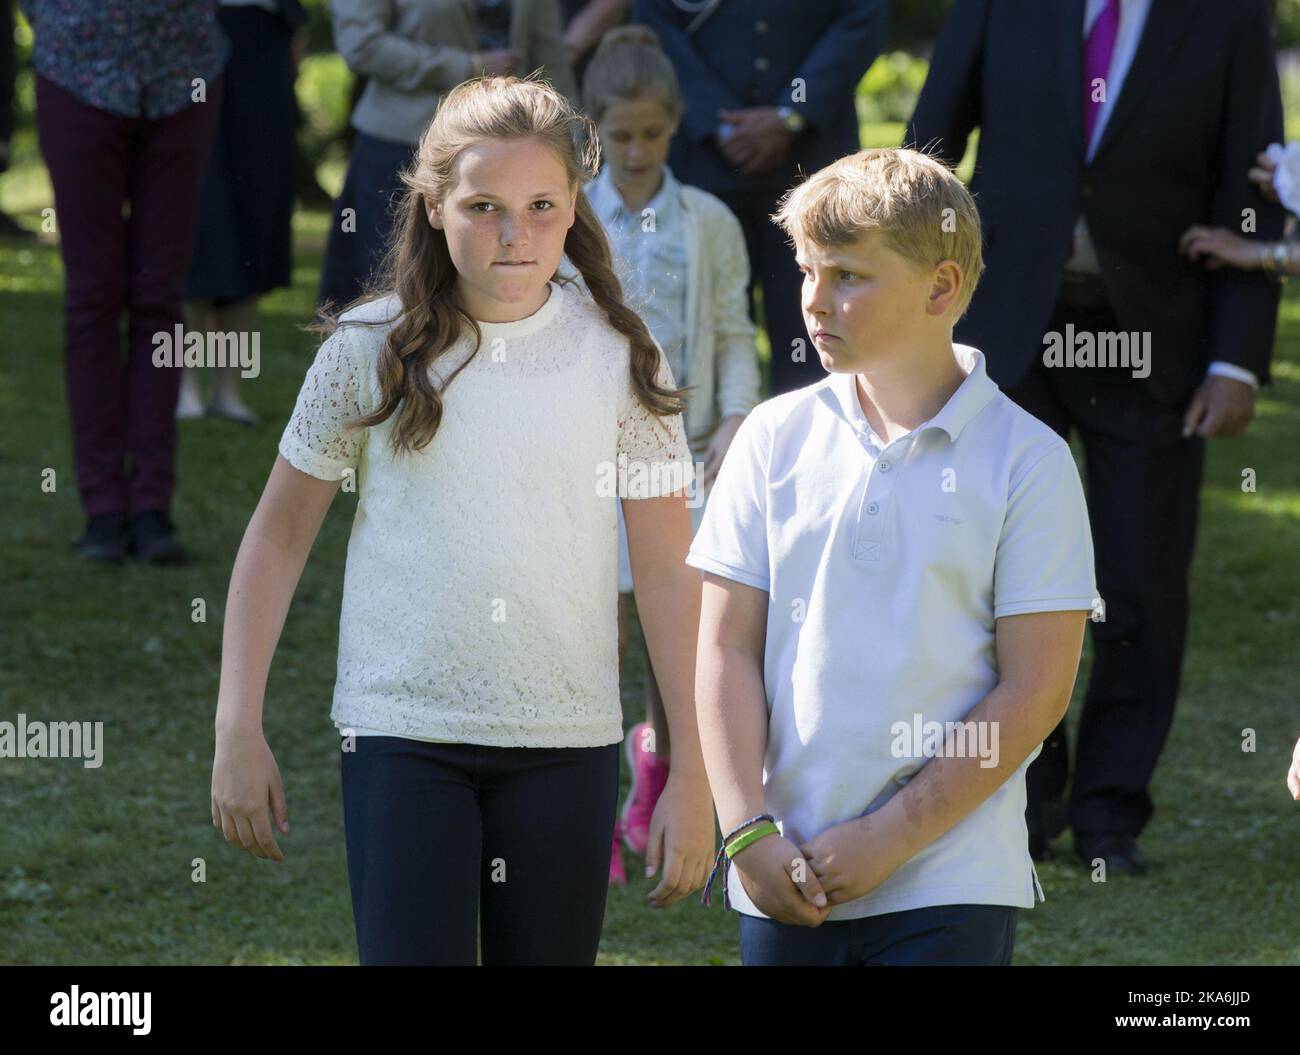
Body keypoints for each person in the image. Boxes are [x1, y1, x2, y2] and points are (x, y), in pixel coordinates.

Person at [211, 75, 715, 965]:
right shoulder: (368, 349)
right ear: (436, 205)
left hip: (567, 741)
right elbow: (278, 537)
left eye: (541, 205)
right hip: (403, 737)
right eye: (483, 205)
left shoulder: (620, 356)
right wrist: (235, 726)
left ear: (573, 207)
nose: (514, 233)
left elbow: (671, 572)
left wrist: (695, 772)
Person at [687, 148, 1097, 966]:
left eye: (847, 275)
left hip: (949, 881)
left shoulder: (1029, 461)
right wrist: (744, 833)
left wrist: (895, 832)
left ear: (941, 287)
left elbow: (1037, 687)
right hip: (783, 871)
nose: (812, 299)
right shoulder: (771, 438)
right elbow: (725, 647)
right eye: (806, 269)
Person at [907, 0, 1286, 874]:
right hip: (1003, 327)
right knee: (991, 580)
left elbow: (1253, 182)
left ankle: (1111, 814)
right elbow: (925, 151)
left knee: (1139, 580)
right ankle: (1019, 803)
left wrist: (1235, 360)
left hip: (1154, 339)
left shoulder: (1228, 17)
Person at [580, 25, 760, 884]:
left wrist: (736, 419)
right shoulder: (571, 217)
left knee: (675, 636)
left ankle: (659, 782)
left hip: (682, 456)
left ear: (674, 125)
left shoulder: (712, 222)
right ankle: (584, 800)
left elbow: (733, 331)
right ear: (594, 132)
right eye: (620, 136)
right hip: (586, 454)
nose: (638, 150)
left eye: (653, 133)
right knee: (592, 629)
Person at [23, 0, 228, 563]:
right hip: (77, 68)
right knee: (92, 297)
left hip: (183, 74)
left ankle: (152, 506)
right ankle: (104, 510)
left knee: (160, 296)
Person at [632, 0, 885, 396]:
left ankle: (817, 450)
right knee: (705, 328)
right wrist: (715, 119)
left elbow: (862, 16)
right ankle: (717, 452)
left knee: (818, 324)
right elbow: (656, 19)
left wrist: (791, 113)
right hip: (702, 162)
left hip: (813, 161)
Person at [319, 0, 577, 313]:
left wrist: (571, 139)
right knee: (386, 295)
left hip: (512, 154)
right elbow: (361, 44)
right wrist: (463, 66)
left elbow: (548, 52)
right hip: (399, 147)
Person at [180, 0, 307, 427]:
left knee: (254, 226)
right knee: (202, 228)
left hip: (263, 52)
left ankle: (228, 391)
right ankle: (185, 387)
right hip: (196, 44)